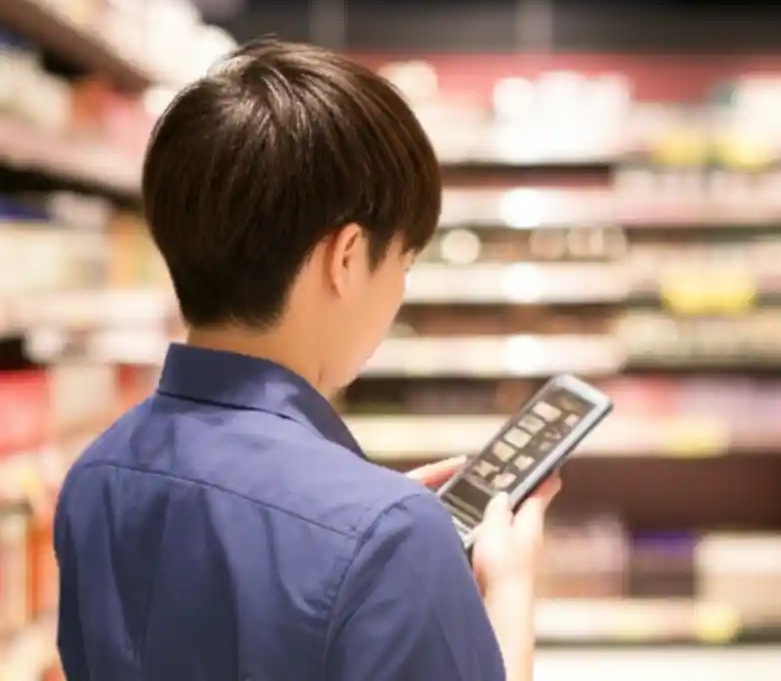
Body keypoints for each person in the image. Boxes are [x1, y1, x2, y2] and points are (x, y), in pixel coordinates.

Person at [54, 39, 551, 680]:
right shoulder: (395, 536)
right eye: (403, 261)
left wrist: (367, 525)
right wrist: (509, 593)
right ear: (346, 258)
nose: (399, 289)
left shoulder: (95, 477)